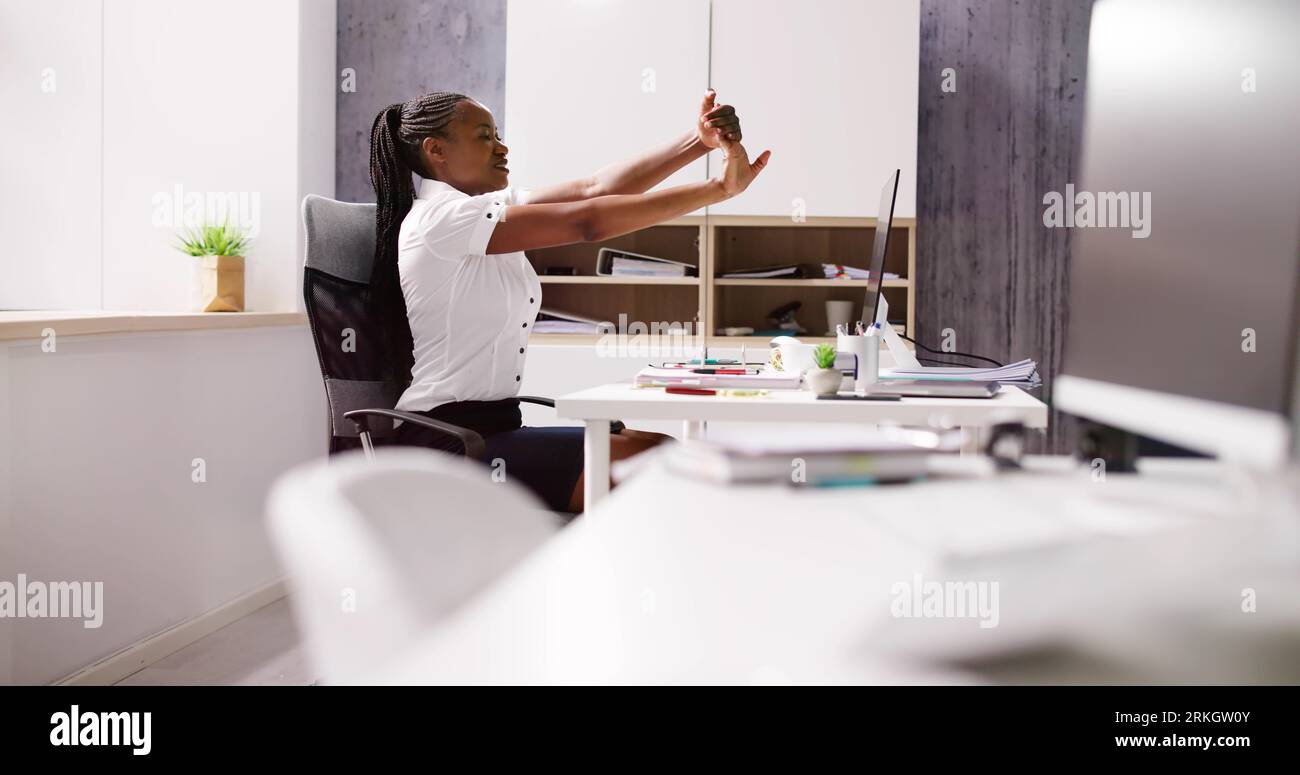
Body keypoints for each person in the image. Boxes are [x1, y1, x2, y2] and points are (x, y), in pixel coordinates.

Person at [367, 89, 770, 513]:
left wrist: (697, 141)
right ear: (436, 151)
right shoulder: (441, 219)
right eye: (485, 136)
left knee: (663, 450)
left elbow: (595, 189)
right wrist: (718, 188)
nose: (502, 147)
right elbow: (588, 221)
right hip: (448, 443)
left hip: (496, 428)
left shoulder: (480, 208)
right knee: (655, 469)